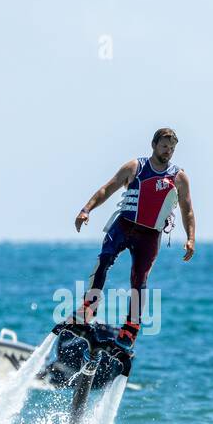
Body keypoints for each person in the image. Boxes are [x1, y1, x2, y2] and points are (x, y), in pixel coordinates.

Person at [72, 127, 196, 347]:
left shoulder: (178, 177)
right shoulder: (135, 167)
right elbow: (106, 190)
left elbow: (187, 210)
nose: (168, 151)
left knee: (139, 280)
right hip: (123, 226)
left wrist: (191, 238)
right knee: (103, 262)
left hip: (149, 236)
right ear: (154, 145)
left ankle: (130, 328)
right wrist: (86, 210)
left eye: (172, 148)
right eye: (164, 146)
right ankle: (87, 308)